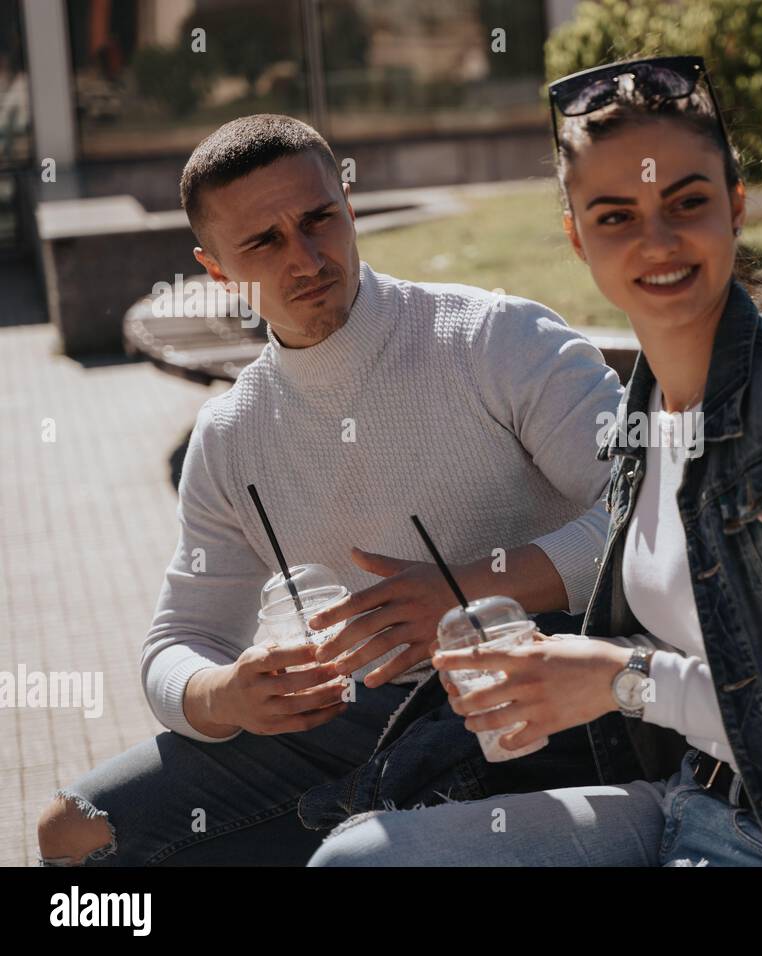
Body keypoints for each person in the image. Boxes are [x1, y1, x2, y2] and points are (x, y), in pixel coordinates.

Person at [36, 113, 643, 866]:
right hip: (353, 720)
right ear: (216, 269)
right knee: (71, 835)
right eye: (264, 242)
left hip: (540, 698)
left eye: (320, 218)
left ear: (349, 210)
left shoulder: (497, 339)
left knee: (355, 846)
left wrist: (470, 589)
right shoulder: (229, 435)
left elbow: (656, 513)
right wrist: (225, 695)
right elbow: (175, 643)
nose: (306, 256)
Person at [309, 56, 762, 867]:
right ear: (576, 237)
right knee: (358, 860)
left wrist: (624, 680)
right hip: (686, 794)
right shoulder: (644, 406)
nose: (657, 242)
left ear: (736, 204)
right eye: (616, 216)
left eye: (687, 203)